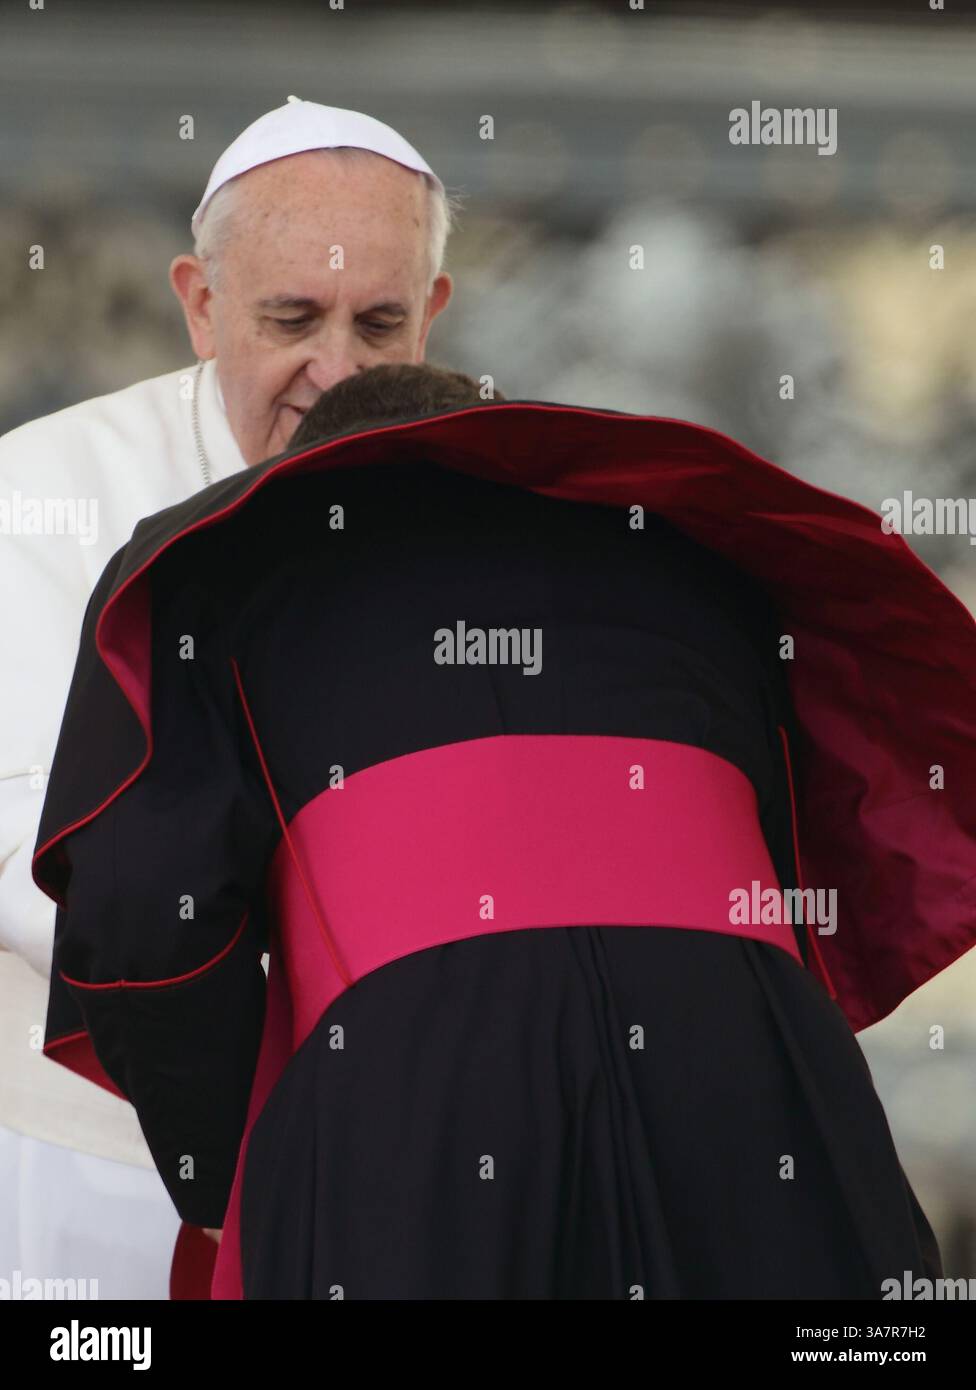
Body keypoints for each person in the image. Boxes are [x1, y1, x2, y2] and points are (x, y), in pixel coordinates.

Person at [33, 362, 976, 1299]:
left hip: (419, 1080)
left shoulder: (215, 563)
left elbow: (140, 916)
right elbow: (786, 846)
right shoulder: (694, 549)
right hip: (748, 1049)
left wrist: (215, 1159)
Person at [0, 99, 455, 1298]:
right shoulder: (39, 494)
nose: (339, 370)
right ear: (200, 303)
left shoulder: (492, 493)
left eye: (380, 323)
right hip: (85, 1153)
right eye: (291, 319)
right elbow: (26, 848)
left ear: (438, 312)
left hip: (406, 1142)